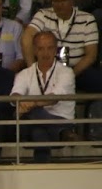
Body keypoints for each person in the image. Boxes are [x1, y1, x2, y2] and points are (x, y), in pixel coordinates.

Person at [10, 29, 78, 160]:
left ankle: (42, 165)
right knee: (34, 115)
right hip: (54, 129)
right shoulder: (24, 74)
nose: (46, 53)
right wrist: (22, 102)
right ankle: (63, 132)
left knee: (38, 130)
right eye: (41, 49)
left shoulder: (66, 72)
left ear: (56, 50)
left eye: (50, 48)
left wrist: (32, 103)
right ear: (34, 50)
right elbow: (15, 95)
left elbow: (55, 98)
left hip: (61, 120)